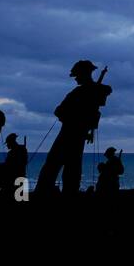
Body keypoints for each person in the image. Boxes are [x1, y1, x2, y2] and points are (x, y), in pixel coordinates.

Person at [36, 60, 112, 197]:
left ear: (84, 74)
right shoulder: (90, 91)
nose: (76, 78)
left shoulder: (78, 93)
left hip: (68, 135)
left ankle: (45, 194)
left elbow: (59, 111)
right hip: (78, 135)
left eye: (77, 75)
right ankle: (68, 194)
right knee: (72, 167)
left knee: (53, 166)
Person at [1, 133, 28, 197]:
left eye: (8, 143)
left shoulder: (11, 153)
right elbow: (25, 162)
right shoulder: (23, 149)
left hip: (13, 179)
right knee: (21, 198)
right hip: (21, 177)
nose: (7, 145)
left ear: (11, 142)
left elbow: (7, 165)